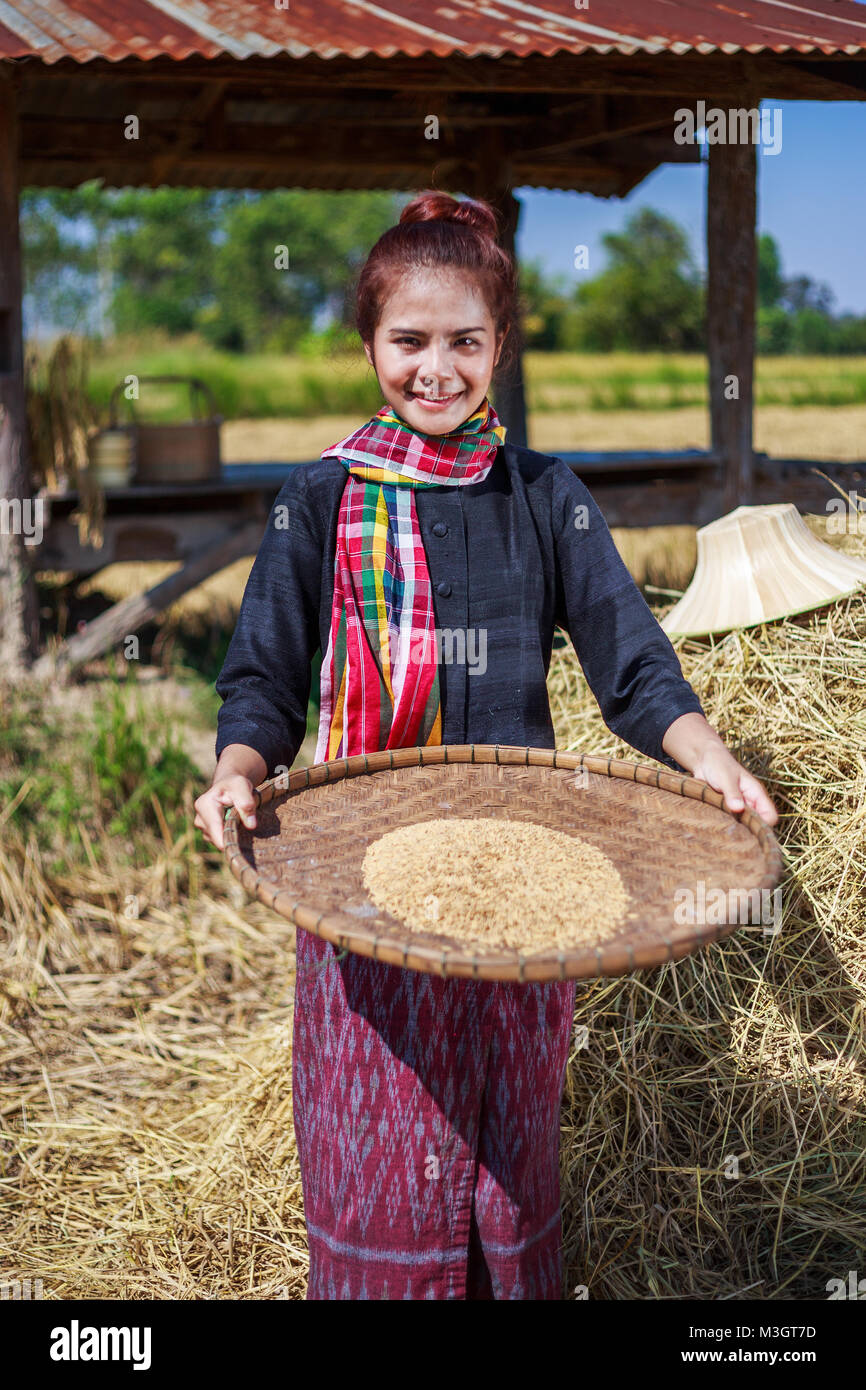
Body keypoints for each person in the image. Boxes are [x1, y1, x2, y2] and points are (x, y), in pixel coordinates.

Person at [194, 191, 778, 1300]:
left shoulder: (543, 495)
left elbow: (628, 657)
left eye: (464, 341)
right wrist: (235, 769)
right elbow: (263, 678)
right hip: (363, 891)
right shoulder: (318, 500)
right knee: (379, 1163)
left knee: (508, 1164)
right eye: (408, 341)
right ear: (368, 343)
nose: (435, 369)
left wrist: (707, 759)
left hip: (525, 891)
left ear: (499, 348)